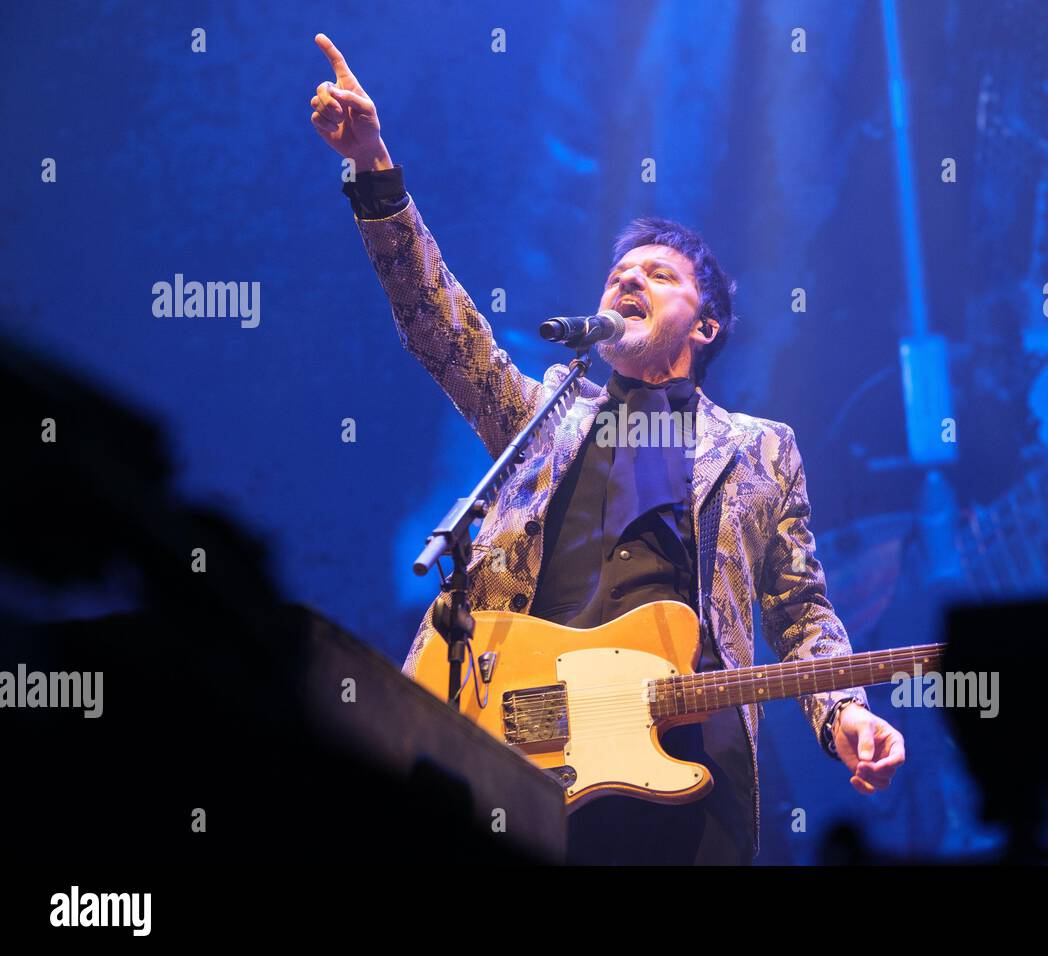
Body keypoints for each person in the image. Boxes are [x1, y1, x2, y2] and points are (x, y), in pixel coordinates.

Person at [308, 33, 905, 864]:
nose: (628, 278)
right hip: (516, 740)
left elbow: (802, 610)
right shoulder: (548, 413)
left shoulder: (763, 451)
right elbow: (438, 323)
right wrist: (372, 164)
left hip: (684, 765)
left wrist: (844, 710)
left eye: (658, 274)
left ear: (705, 327)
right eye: (621, 270)